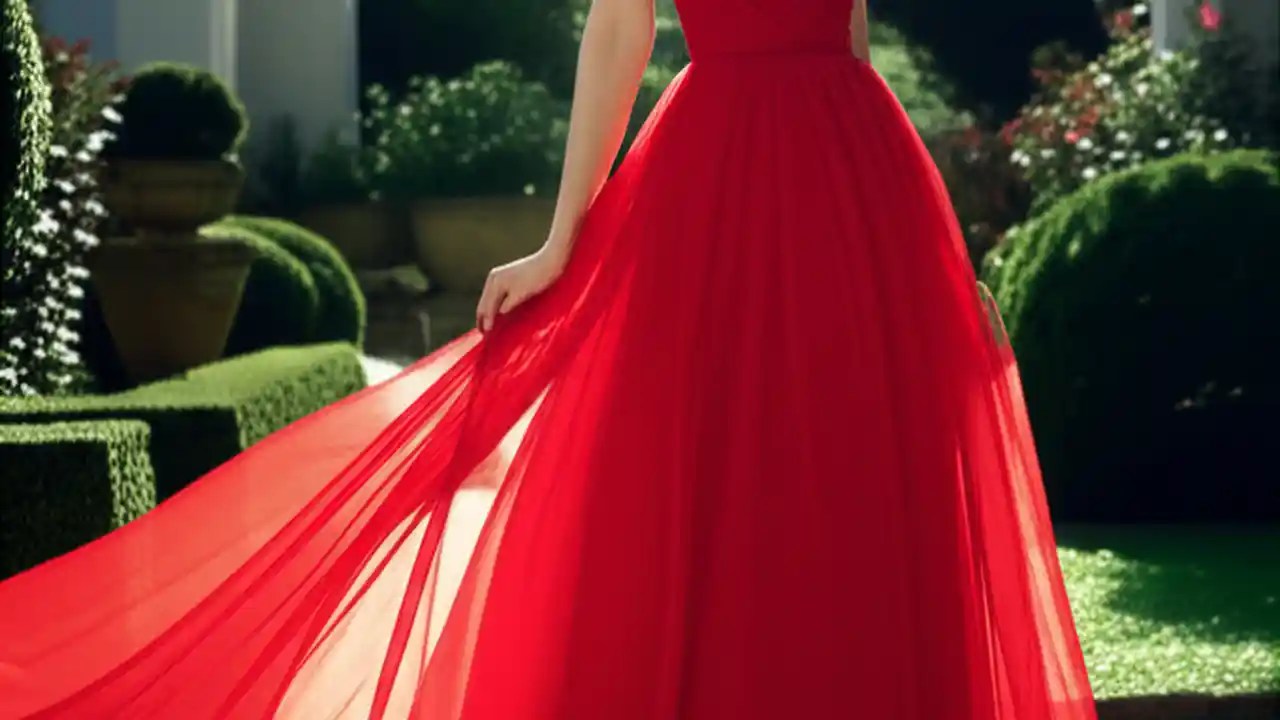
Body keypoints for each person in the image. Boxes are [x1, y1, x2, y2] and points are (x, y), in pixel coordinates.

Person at [0, 0, 1098, 717]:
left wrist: (925, 248)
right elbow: (619, 32)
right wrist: (562, 237)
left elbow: (851, 39)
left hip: (852, 181)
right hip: (723, 174)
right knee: (690, 473)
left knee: (860, 479)